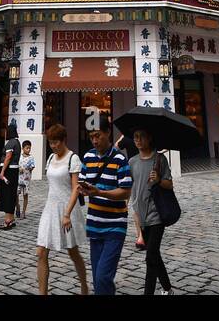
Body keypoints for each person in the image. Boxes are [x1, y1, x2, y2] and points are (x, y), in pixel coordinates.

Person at [77, 121, 132, 296]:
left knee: (102, 277)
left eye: (98, 135)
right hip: (94, 225)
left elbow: (125, 192)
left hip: (115, 225)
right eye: (91, 136)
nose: (94, 140)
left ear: (108, 133)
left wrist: (100, 192)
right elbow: (82, 181)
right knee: (99, 278)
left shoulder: (119, 159)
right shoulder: (87, 157)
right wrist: (83, 190)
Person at [36, 124, 88, 295]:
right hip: (50, 209)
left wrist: (67, 213)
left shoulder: (73, 158)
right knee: (41, 251)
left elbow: (75, 188)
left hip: (68, 210)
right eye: (51, 142)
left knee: (73, 251)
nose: (53, 146)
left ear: (64, 140)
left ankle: (84, 285)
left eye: (56, 142)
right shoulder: (51, 158)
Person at [128, 128, 175, 295]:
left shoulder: (160, 159)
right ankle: (168, 289)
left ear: (149, 139)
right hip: (141, 215)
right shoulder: (132, 162)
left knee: (150, 256)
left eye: (141, 137)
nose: (138, 140)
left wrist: (158, 180)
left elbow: (169, 184)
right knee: (154, 255)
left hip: (157, 214)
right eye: (135, 137)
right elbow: (129, 187)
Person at [0, 122, 22, 229]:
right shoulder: (17, 142)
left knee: (7, 194)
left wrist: (2, 172)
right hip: (13, 171)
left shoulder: (11, 143)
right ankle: (11, 218)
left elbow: (8, 157)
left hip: (8, 171)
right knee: (11, 194)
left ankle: (7, 220)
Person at [18, 140, 36, 219]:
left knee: (25, 195)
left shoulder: (31, 157)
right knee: (16, 194)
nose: (28, 150)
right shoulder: (19, 156)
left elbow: (32, 167)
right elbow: (16, 165)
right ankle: (17, 206)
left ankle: (23, 212)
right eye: (27, 148)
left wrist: (29, 168)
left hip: (26, 180)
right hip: (18, 179)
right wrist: (19, 169)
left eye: (29, 148)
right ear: (23, 148)